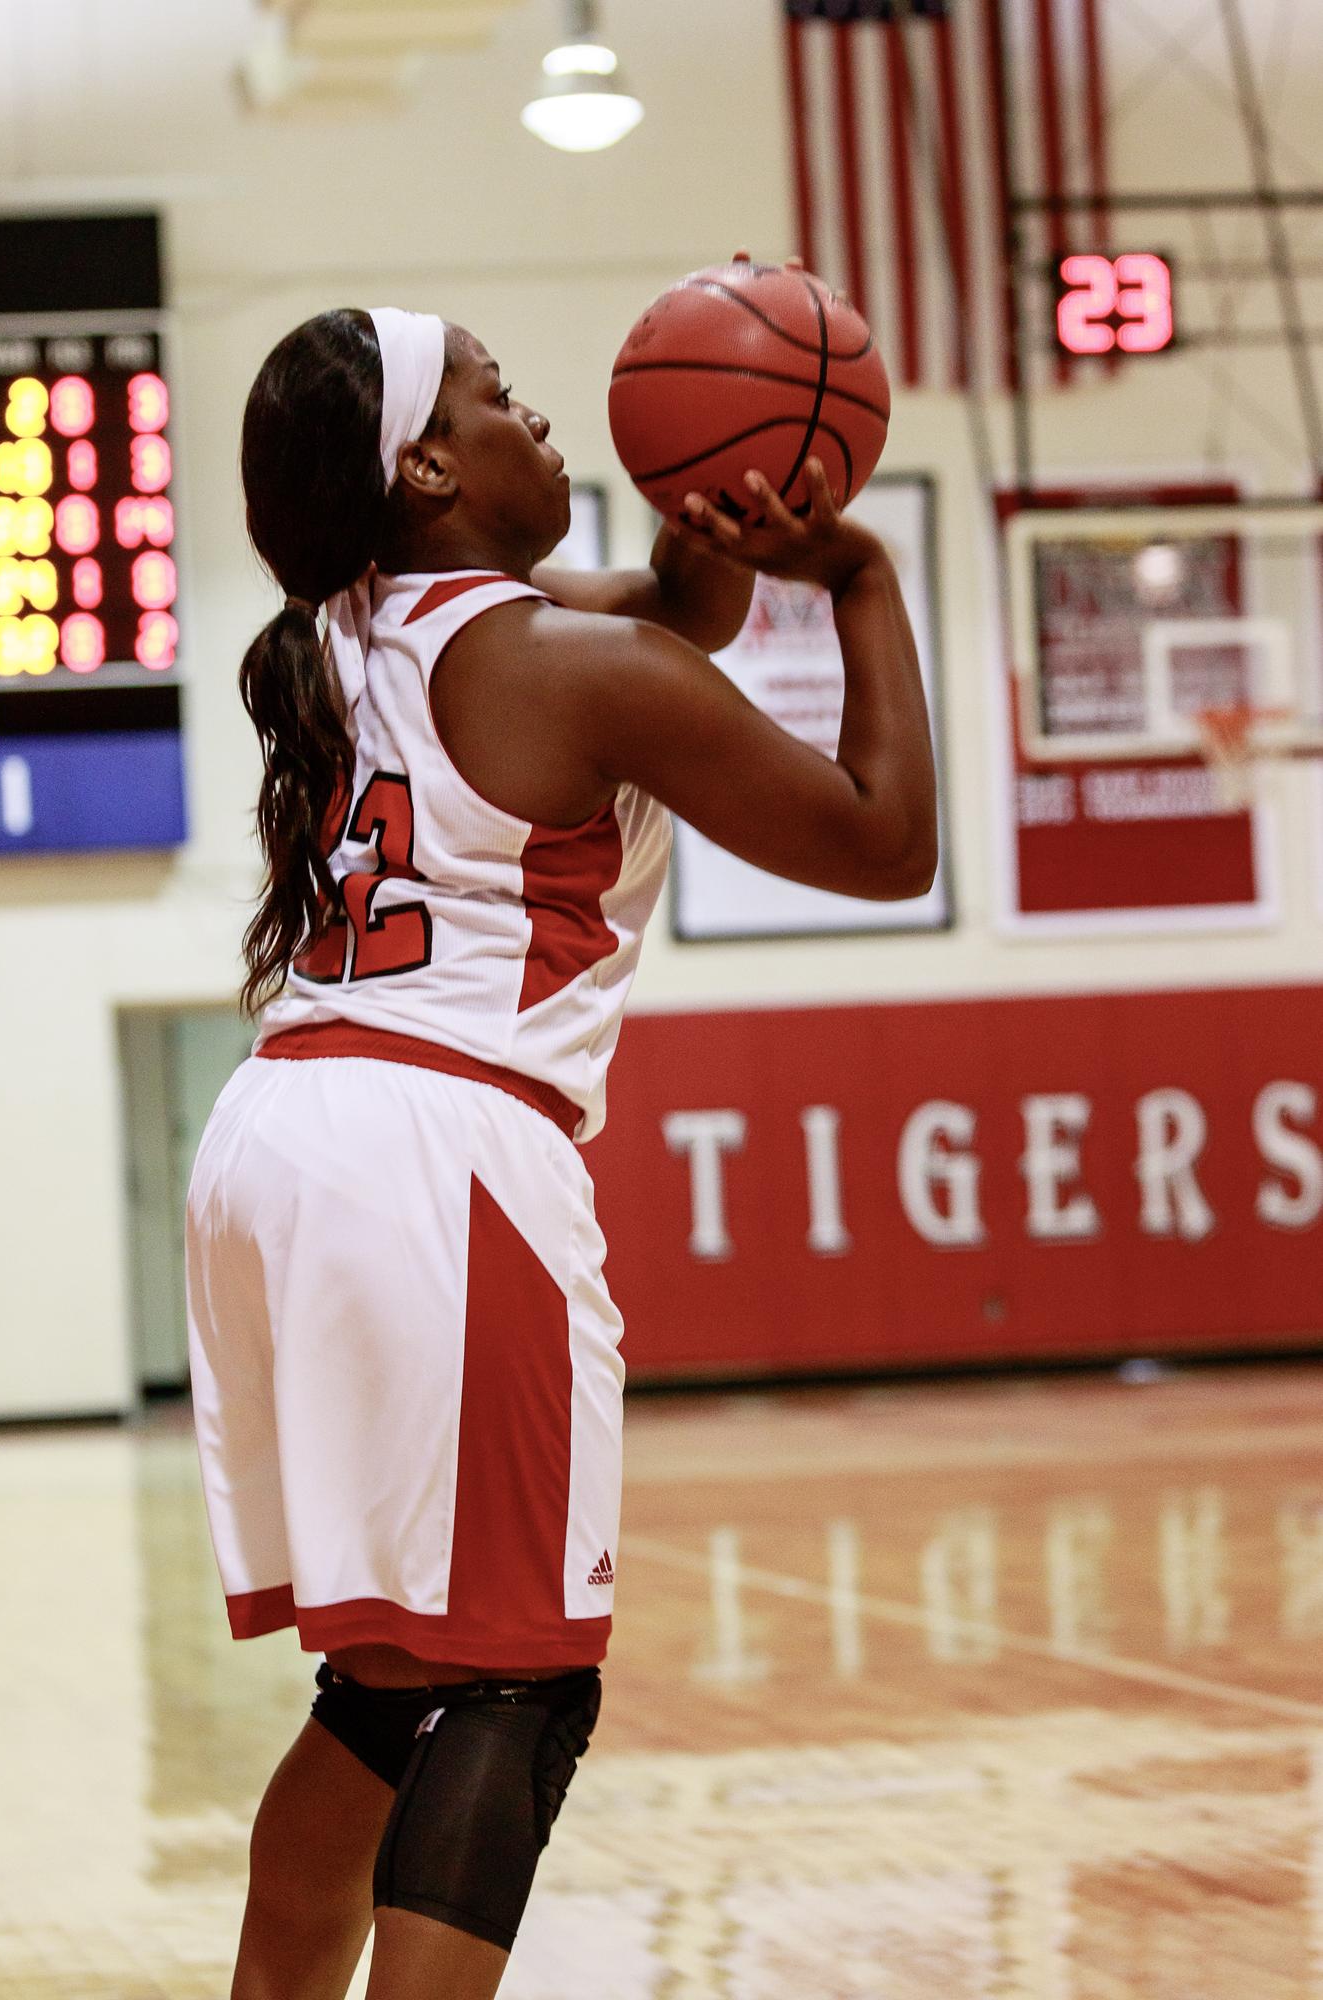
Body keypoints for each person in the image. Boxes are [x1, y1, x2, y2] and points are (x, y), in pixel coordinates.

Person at [185, 282, 936, 2000]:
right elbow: (887, 843)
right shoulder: (571, 668)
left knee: (387, 1687)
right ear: (429, 468)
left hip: (285, 1135)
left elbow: (672, 613)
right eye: (495, 392)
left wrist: (708, 541)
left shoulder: (348, 628)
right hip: (436, 1163)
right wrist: (860, 579)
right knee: (519, 1685)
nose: (535, 415)